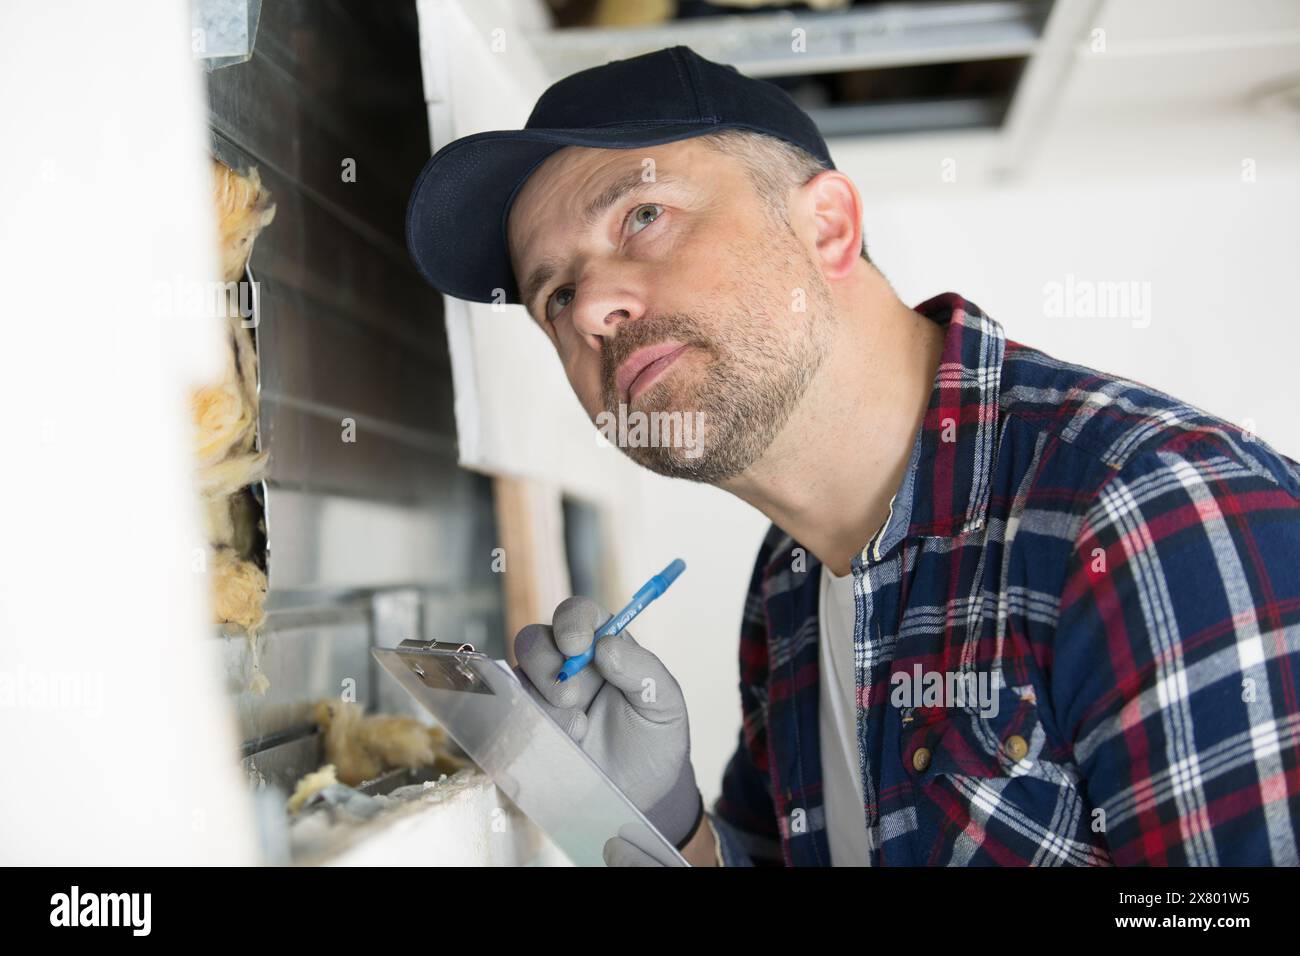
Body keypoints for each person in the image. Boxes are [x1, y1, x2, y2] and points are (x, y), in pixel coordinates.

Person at [406, 46, 1300, 866]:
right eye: (554, 295)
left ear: (827, 227)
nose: (592, 304)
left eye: (644, 215)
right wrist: (657, 828)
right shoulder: (791, 583)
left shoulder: (1150, 511)